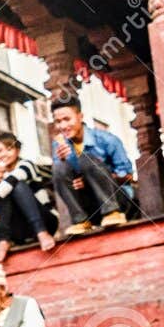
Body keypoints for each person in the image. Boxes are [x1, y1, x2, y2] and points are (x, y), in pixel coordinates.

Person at [50, 96, 135, 235]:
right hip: (90, 206)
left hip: (118, 201)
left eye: (67, 119)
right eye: (58, 122)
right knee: (58, 168)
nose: (63, 126)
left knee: (86, 159)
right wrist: (63, 161)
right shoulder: (58, 145)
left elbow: (128, 176)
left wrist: (90, 179)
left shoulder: (107, 139)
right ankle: (81, 221)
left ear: (80, 116)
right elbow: (63, 179)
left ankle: (112, 212)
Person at [0, 132, 57, 261]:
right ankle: (4, 240)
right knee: (3, 191)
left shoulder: (27, 165)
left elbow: (13, 179)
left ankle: (42, 233)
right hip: (20, 228)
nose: (4, 154)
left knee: (15, 186)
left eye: (9, 149)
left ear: (17, 151)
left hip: (45, 219)